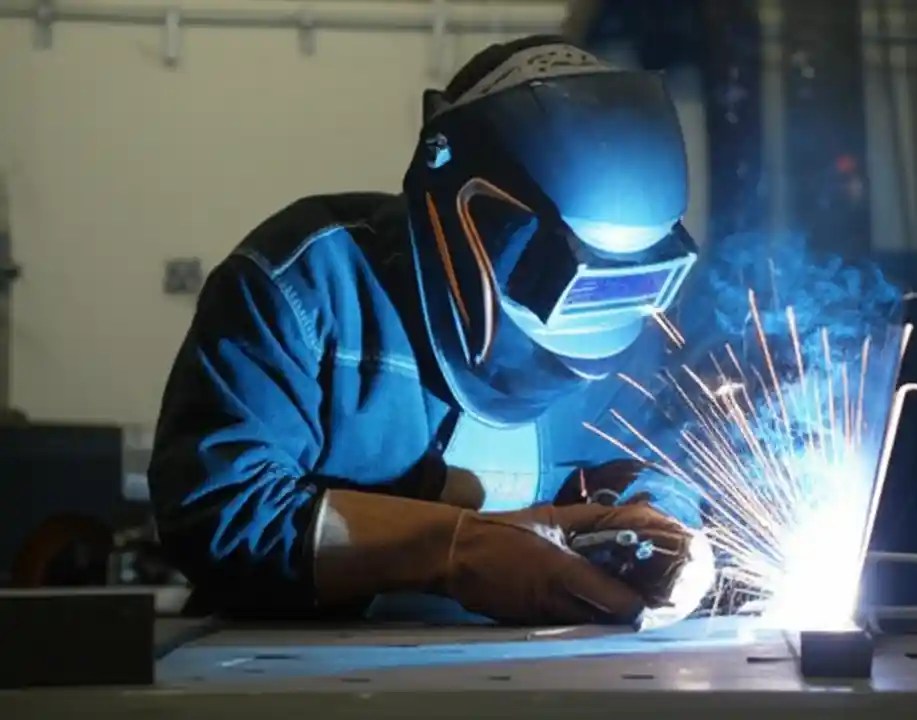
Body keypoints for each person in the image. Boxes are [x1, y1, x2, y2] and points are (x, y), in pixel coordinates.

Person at [147, 36, 713, 626]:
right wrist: (456, 551)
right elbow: (216, 512)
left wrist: (662, 524)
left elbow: (652, 462)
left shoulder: (633, 314)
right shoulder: (310, 280)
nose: (576, 341)